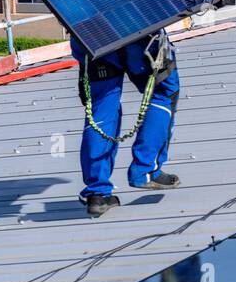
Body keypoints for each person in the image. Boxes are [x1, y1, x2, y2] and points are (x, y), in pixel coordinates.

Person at [73, 30, 182, 217]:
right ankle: (145, 170)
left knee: (101, 107)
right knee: (164, 92)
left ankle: (97, 193)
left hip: (88, 36)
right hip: (138, 34)